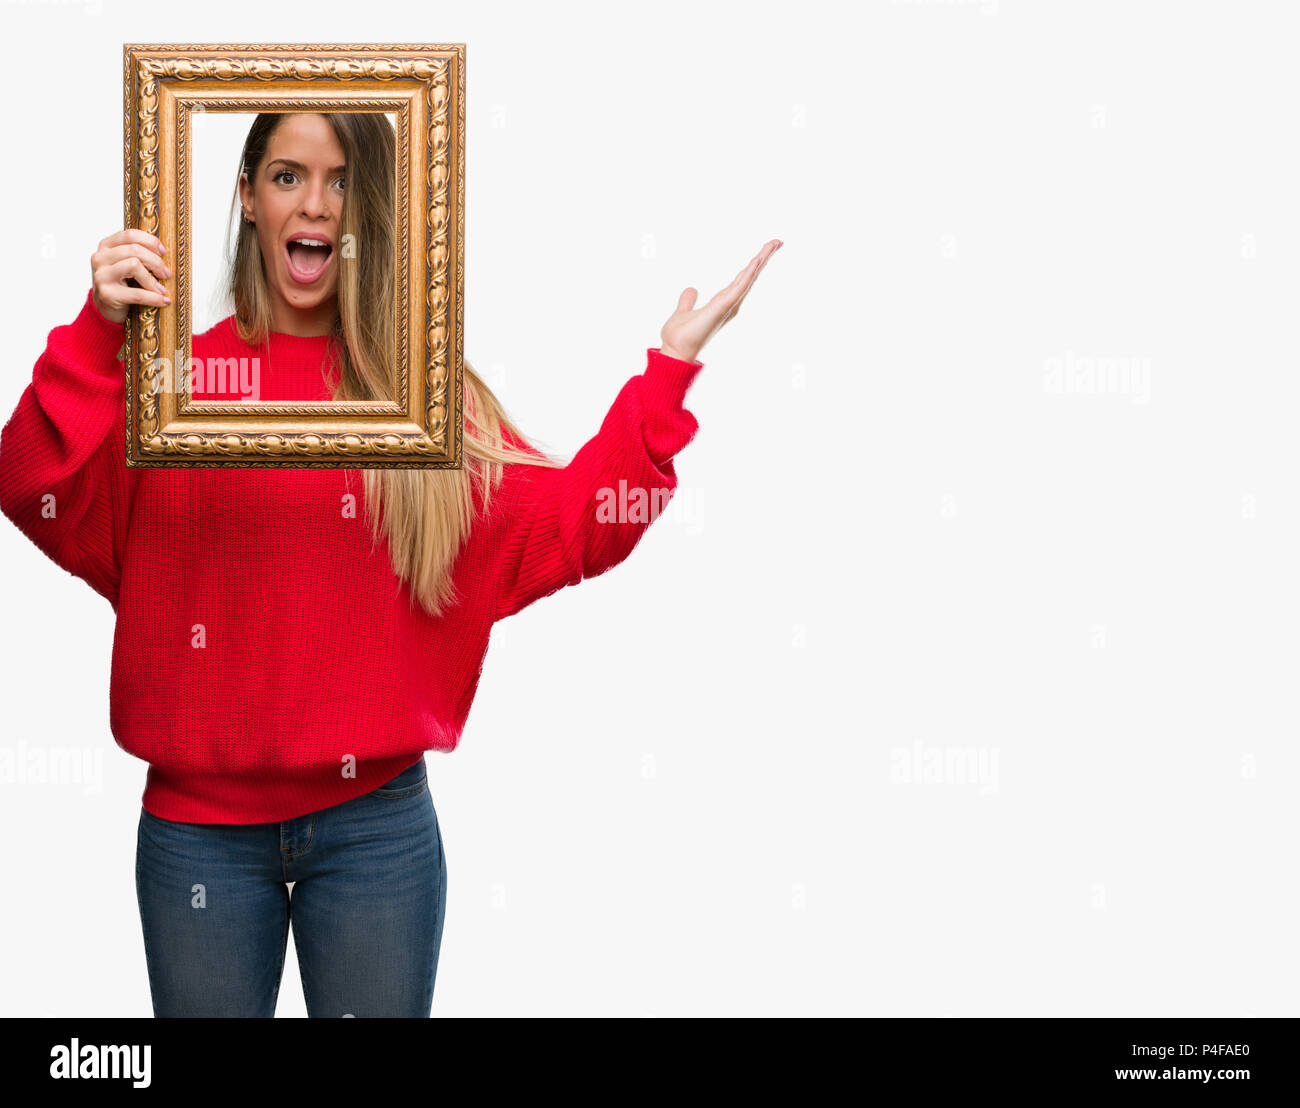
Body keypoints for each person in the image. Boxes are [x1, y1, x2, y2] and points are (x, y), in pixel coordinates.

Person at [0, 109, 781, 1017]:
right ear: (247, 198)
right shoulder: (172, 388)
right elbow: (30, 488)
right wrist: (100, 331)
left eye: (340, 183)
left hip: (376, 833)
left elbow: (580, 526)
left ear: (368, 216)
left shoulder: (422, 402)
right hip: (197, 839)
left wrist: (667, 377)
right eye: (288, 176)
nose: (316, 205)